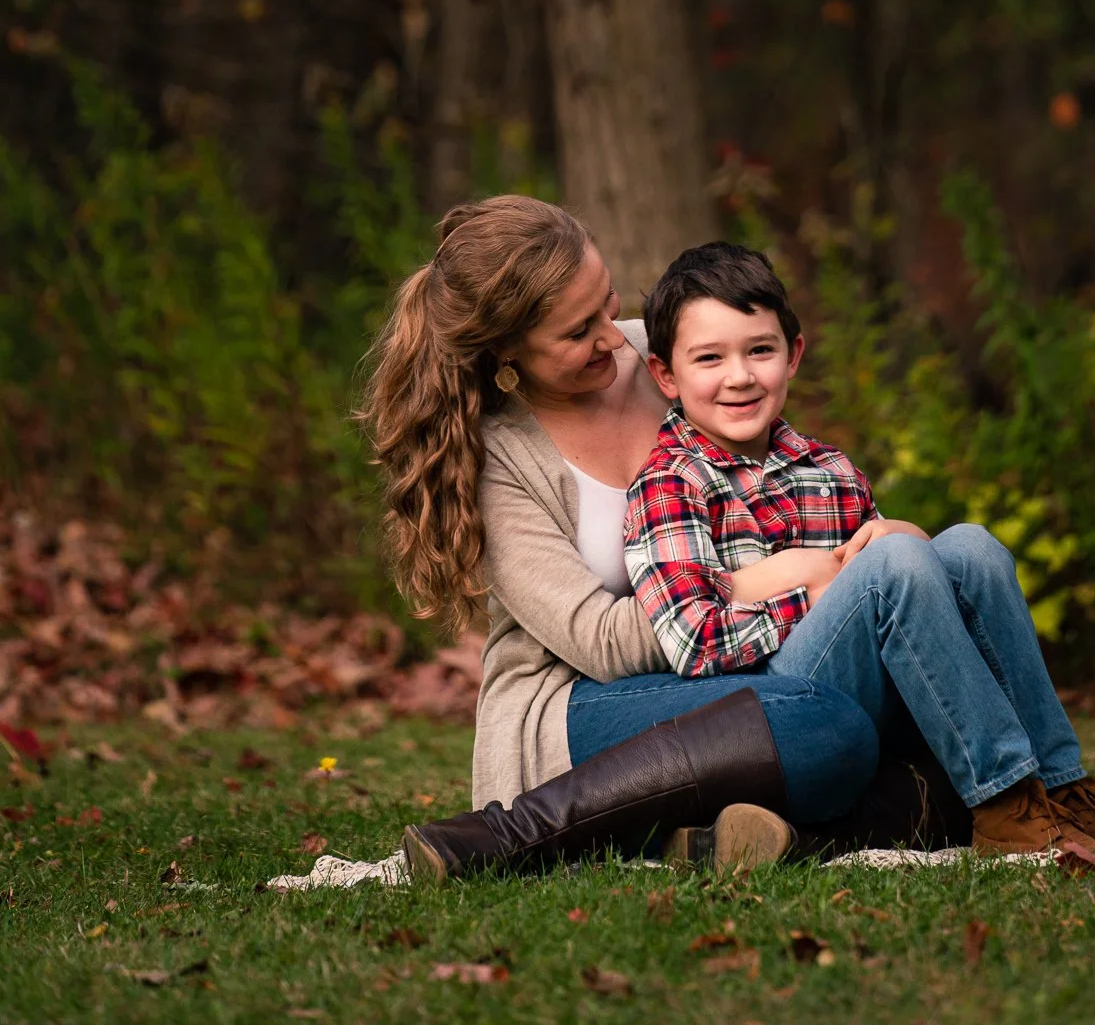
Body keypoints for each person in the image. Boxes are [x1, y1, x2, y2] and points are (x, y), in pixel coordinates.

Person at [359, 196, 890, 882]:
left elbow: (776, 480)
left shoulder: (667, 357)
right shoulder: (498, 459)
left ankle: (721, 837)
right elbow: (602, 643)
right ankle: (516, 833)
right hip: (585, 704)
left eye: (608, 304)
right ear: (507, 350)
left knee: (905, 718)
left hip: (744, 661)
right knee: (826, 725)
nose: (614, 338)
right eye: (579, 331)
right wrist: (778, 577)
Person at [621, 241, 1095, 858]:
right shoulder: (670, 483)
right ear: (666, 374)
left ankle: (1060, 788)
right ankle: (1004, 801)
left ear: (793, 355)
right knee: (891, 564)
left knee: (971, 547)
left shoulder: (829, 469)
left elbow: (903, 594)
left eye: (759, 350)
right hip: (771, 709)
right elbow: (694, 645)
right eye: (710, 358)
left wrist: (905, 543)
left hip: (871, 692)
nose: (739, 376)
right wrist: (817, 592)